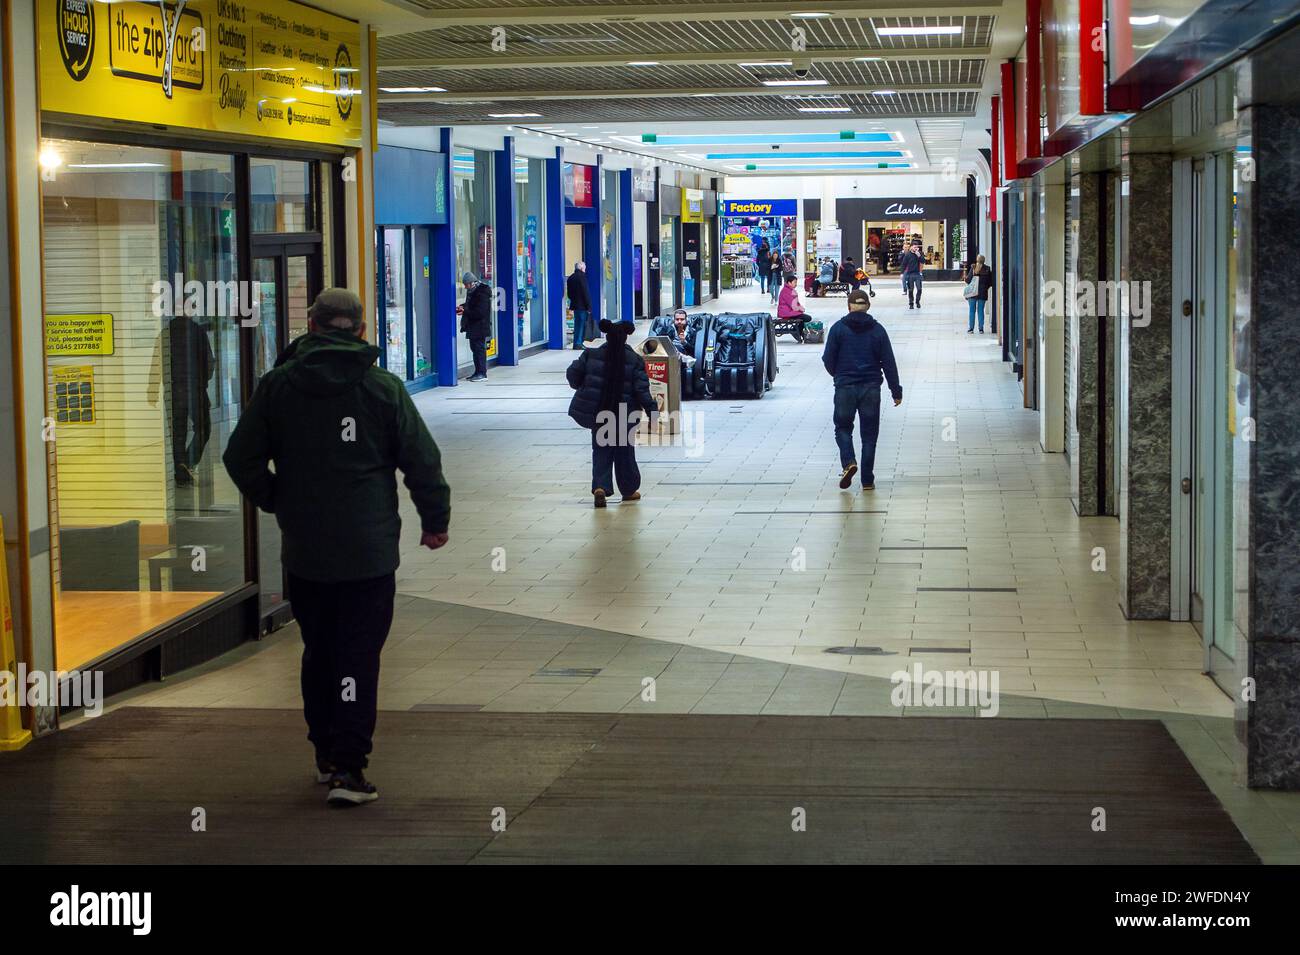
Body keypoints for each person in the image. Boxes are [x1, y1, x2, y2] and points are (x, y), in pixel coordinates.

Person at [223, 288, 451, 806]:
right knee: (357, 656)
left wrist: (278, 499)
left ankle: (325, 753)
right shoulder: (383, 388)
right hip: (369, 553)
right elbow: (423, 461)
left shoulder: (279, 387)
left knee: (319, 651)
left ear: (312, 325)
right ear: (362, 330)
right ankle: (349, 768)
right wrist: (434, 520)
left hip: (306, 553)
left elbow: (240, 457)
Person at [566, 314, 657, 508]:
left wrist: (581, 386)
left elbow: (573, 373)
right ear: (626, 338)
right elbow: (642, 390)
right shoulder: (634, 359)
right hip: (625, 414)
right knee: (625, 451)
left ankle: (600, 487)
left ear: (607, 337)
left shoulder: (591, 355)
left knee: (601, 450)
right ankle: (629, 490)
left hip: (600, 412)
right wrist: (653, 412)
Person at [821, 288, 902, 491]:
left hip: (845, 387)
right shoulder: (878, 330)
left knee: (842, 427)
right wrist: (896, 390)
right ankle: (867, 480)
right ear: (868, 307)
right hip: (871, 388)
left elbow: (828, 359)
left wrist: (839, 375)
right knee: (869, 435)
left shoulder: (838, 329)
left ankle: (849, 461)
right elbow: (889, 362)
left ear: (848, 306)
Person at [148, 314, 214, 487]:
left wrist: (152, 390)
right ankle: (188, 463)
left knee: (177, 434)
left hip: (173, 391)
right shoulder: (198, 332)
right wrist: (203, 381)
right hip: (195, 390)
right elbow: (209, 362)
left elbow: (157, 363)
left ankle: (181, 472)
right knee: (204, 428)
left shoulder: (165, 333)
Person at [459, 272, 492, 380]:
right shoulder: (472, 292)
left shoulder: (482, 292)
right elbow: (472, 306)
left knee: (479, 350)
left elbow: (480, 312)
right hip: (473, 326)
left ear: (472, 283)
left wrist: (465, 310)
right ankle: (477, 372)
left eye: (466, 284)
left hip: (480, 327)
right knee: (475, 349)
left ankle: (482, 373)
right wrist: (463, 307)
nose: (465, 287)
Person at [964, 254, 994, 333]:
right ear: (984, 261)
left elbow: (968, 280)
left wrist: (965, 277)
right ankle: (981, 329)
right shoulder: (987, 269)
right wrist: (984, 288)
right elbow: (990, 282)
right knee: (980, 310)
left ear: (977, 260)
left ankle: (971, 328)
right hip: (982, 293)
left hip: (972, 293)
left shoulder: (973, 268)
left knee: (972, 310)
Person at [777, 273, 810, 343]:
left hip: (790, 311)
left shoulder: (789, 290)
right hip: (786, 313)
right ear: (789, 283)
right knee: (806, 318)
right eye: (794, 282)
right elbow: (793, 305)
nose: (796, 284)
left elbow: (795, 303)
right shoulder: (786, 291)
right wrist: (801, 309)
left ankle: (798, 332)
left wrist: (800, 308)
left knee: (803, 318)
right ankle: (796, 331)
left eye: (796, 282)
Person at [567, 261, 594, 349]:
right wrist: (589, 306)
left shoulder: (570, 278)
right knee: (581, 324)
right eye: (585, 268)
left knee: (577, 324)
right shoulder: (582, 277)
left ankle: (576, 343)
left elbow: (569, 294)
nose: (585, 270)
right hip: (582, 306)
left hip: (575, 305)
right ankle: (578, 343)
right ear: (582, 268)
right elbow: (585, 292)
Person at [898, 241, 924, 309]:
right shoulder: (908, 255)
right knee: (910, 290)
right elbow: (903, 264)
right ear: (911, 247)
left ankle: (917, 301)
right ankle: (911, 303)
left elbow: (923, 261)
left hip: (917, 274)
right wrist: (902, 273)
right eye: (914, 247)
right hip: (909, 274)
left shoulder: (919, 254)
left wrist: (919, 255)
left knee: (919, 289)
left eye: (917, 247)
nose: (916, 248)